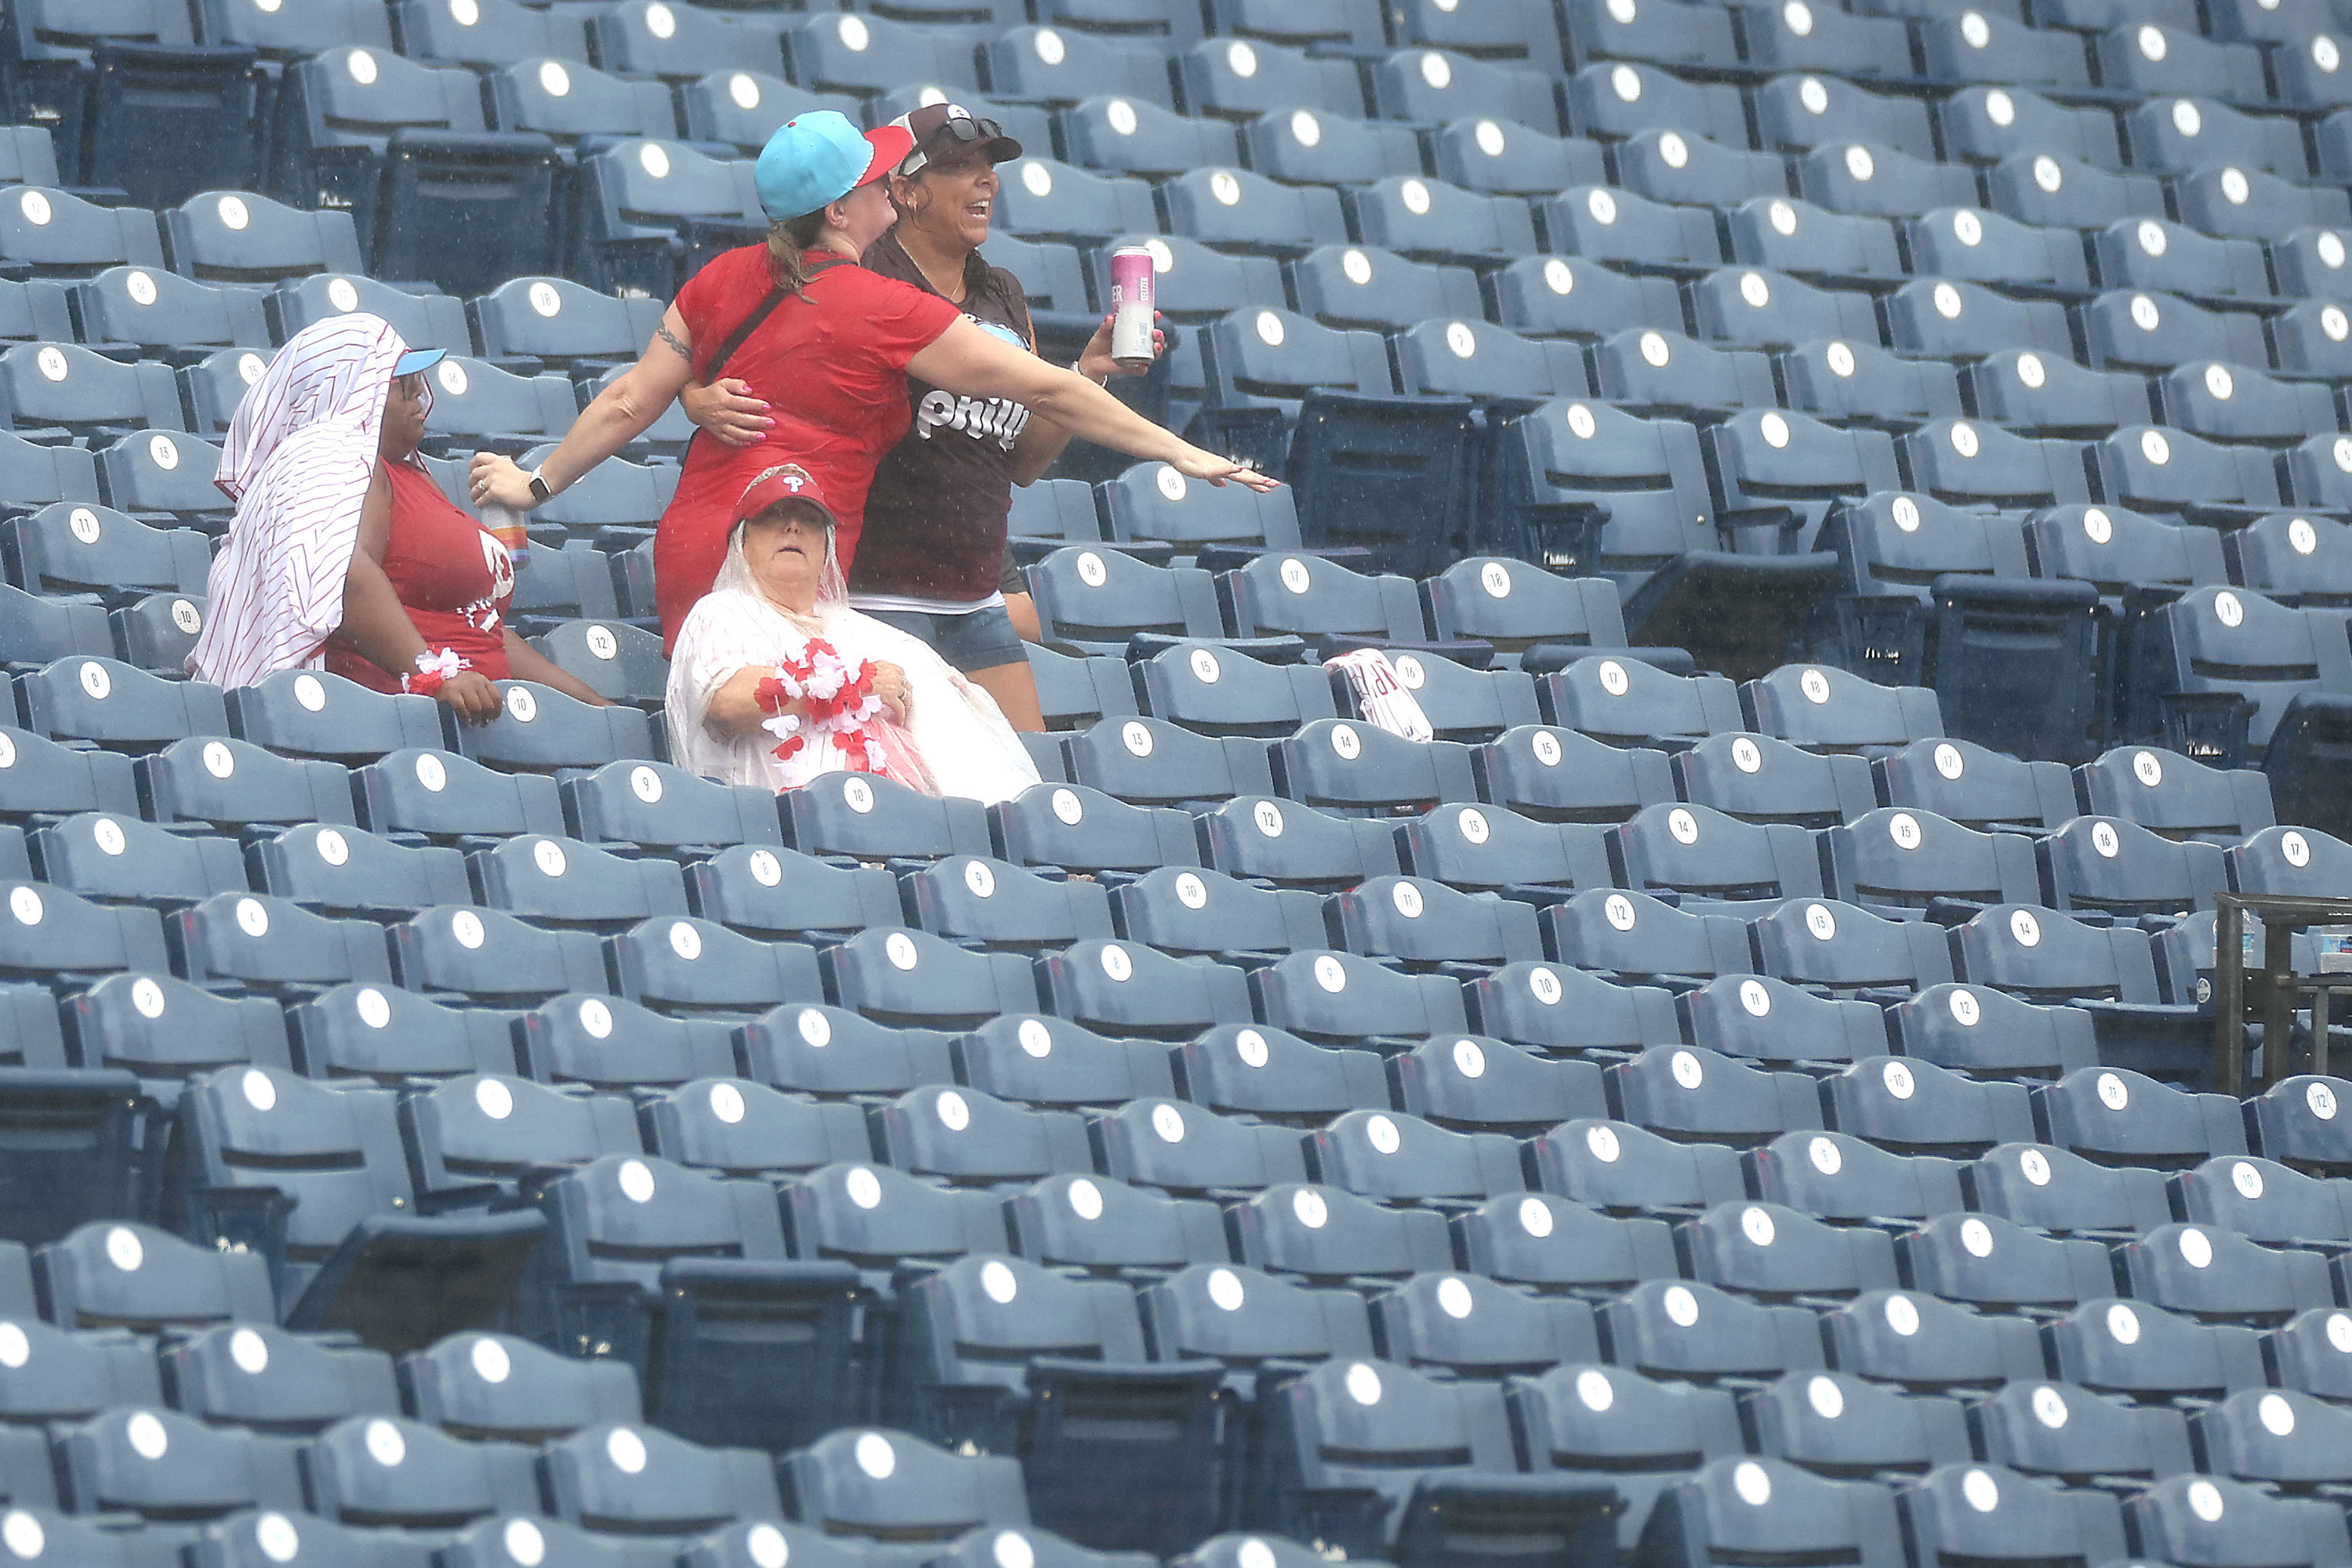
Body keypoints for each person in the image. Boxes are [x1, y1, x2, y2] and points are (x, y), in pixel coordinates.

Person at [466, 109, 1272, 653]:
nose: (890, 183)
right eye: (874, 179)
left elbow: (625, 402)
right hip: (789, 555)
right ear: (839, 212)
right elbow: (1048, 391)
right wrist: (1180, 451)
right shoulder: (882, 305)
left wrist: (534, 483)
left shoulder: (719, 276)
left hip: (698, 546)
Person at [684, 103, 1150, 732]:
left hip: (974, 592)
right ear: (903, 191)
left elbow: (1022, 462)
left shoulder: (1004, 293)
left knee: (1027, 775)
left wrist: (1086, 373)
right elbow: (758, 356)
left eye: (990, 165)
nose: (986, 179)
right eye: (959, 165)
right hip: (876, 588)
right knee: (914, 772)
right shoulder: (862, 272)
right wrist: (696, 395)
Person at [189, 313, 607, 719]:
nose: (419, 395)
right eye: (401, 385)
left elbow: (481, 629)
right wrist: (433, 673)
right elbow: (342, 578)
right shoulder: (332, 461)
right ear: (353, 393)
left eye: (416, 382)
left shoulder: (408, 475)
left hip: (473, 720)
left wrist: (593, 707)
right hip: (397, 727)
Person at [667, 463, 1040, 805]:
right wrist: (856, 685)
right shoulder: (723, 611)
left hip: (896, 814)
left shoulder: (862, 630)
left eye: (809, 520)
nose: (793, 527)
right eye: (773, 515)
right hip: (782, 819)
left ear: (826, 550)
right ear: (742, 543)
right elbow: (726, 702)